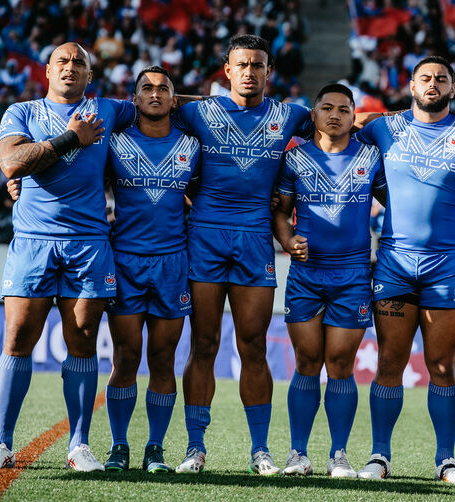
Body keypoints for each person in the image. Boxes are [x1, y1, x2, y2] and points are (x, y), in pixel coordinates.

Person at [0, 42, 135, 472]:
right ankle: (0, 442)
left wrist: (228, 100)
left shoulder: (109, 110)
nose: (70, 67)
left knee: (82, 339)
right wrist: (71, 139)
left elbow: (161, 99)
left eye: (79, 62)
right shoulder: (21, 113)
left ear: (89, 76)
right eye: (62, 61)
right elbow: (11, 162)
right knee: (18, 338)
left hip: (89, 245)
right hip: (33, 241)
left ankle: (79, 446)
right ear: (47, 70)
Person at [173, 34, 314, 475]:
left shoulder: (291, 115)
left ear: (269, 71)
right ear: (227, 71)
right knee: (204, 344)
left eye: (258, 65)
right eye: (241, 65)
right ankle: (195, 448)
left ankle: (260, 451)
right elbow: (155, 104)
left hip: (255, 239)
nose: (250, 72)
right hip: (205, 238)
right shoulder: (198, 111)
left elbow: (341, 120)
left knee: (253, 345)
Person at [353, 56, 455, 484]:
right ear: (410, 85)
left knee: (442, 365)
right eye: (425, 77)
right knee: (390, 361)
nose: (433, 83)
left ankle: (446, 460)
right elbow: (338, 122)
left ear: (452, 88)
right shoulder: (384, 127)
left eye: (442, 78)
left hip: (447, 265)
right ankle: (379, 457)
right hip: (395, 263)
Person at [272, 83, 385, 478]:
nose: (335, 114)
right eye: (327, 108)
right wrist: (287, 240)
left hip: (353, 275)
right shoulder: (295, 160)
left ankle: (339, 455)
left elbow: (399, 202)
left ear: (355, 116)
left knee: (339, 364)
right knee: (306, 362)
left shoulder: (371, 157)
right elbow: (281, 214)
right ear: (314, 115)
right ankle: (297, 453)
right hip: (305, 274)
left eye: (343, 109)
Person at [101, 66, 200, 473]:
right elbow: (82, 178)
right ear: (134, 99)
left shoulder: (193, 147)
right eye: (147, 89)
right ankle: (119, 446)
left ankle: (155, 448)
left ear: (174, 100)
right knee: (125, 359)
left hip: (173, 264)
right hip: (125, 261)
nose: (155, 94)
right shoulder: (114, 143)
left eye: (164, 89)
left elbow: (208, 193)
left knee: (163, 360)